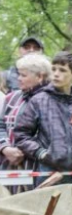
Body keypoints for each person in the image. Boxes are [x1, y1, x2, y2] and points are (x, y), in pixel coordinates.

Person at [14, 52, 72, 205]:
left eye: (62, 70)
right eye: (54, 69)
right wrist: (42, 153)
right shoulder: (39, 100)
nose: (57, 74)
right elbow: (21, 134)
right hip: (48, 170)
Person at [0, 54, 51, 194]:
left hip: (37, 169)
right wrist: (5, 148)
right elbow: (1, 125)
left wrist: (24, 150)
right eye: (19, 74)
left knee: (33, 212)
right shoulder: (12, 97)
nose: (18, 79)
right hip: (8, 167)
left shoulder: (53, 101)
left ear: (40, 77)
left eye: (23, 75)